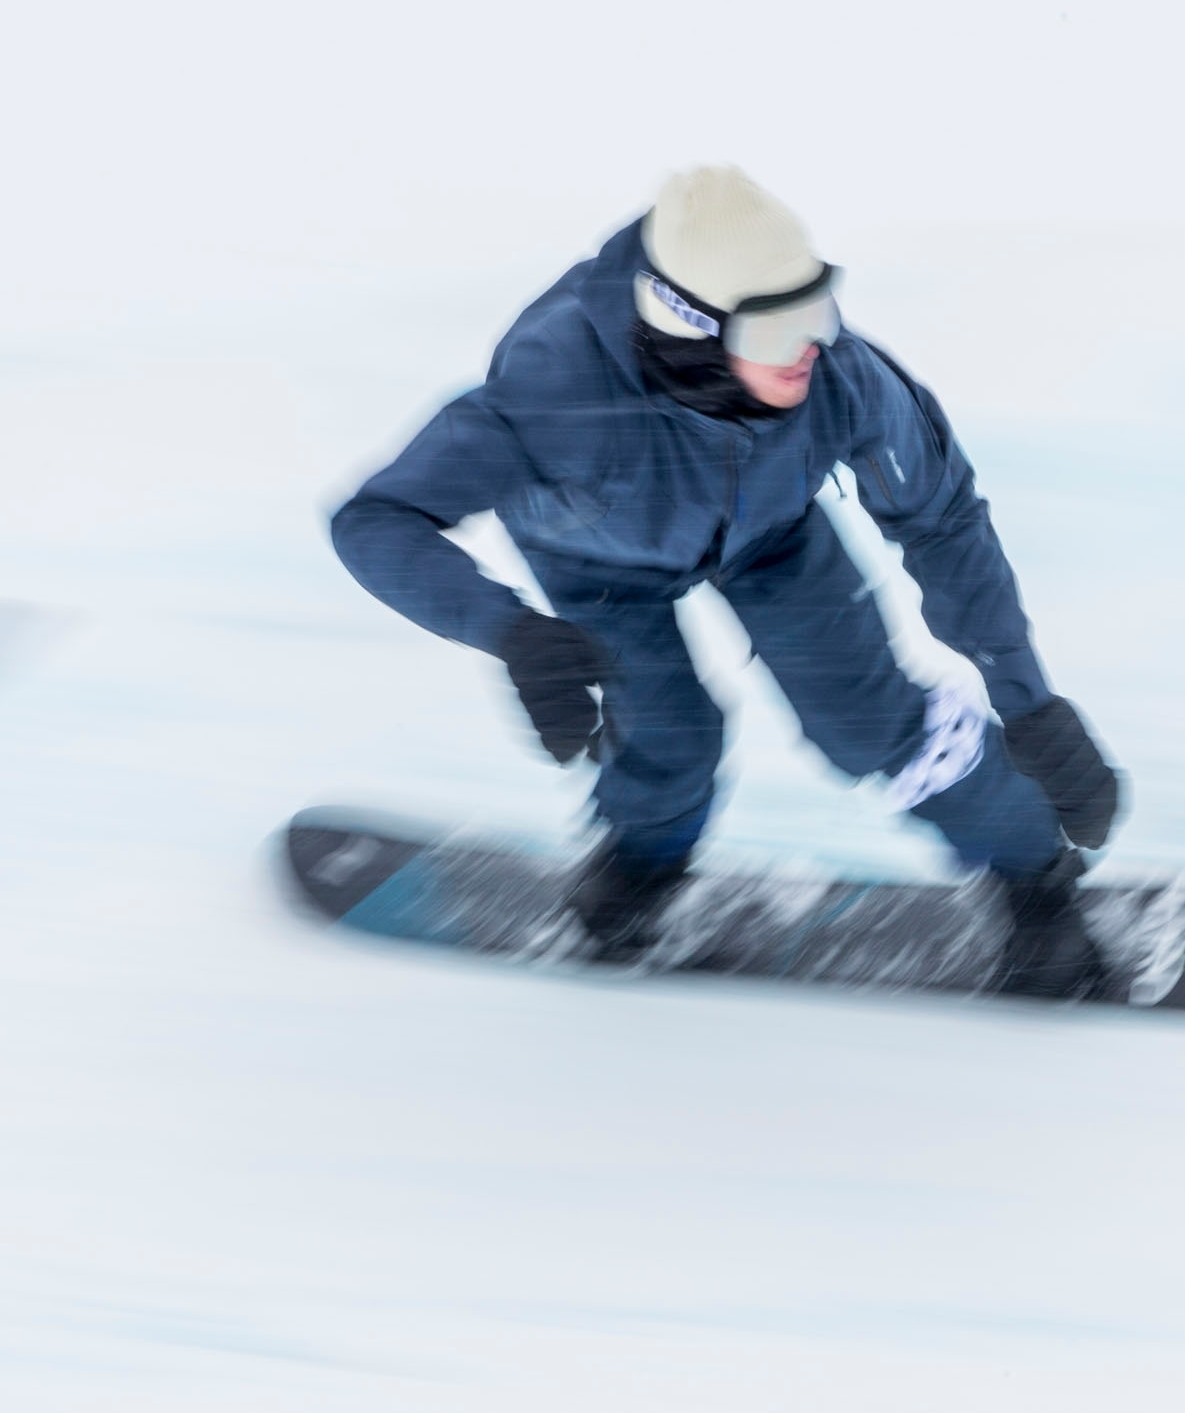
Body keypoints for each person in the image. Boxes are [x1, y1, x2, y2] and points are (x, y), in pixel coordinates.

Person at [329, 167, 1126, 997]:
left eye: (817, 309)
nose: (813, 347)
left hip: (768, 537)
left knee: (868, 723)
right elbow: (376, 519)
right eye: (778, 329)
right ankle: (641, 866)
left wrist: (1029, 701)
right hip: (594, 566)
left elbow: (942, 519)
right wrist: (512, 631)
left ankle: (1035, 879)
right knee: (671, 735)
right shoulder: (552, 390)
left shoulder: (842, 380)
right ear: (690, 327)